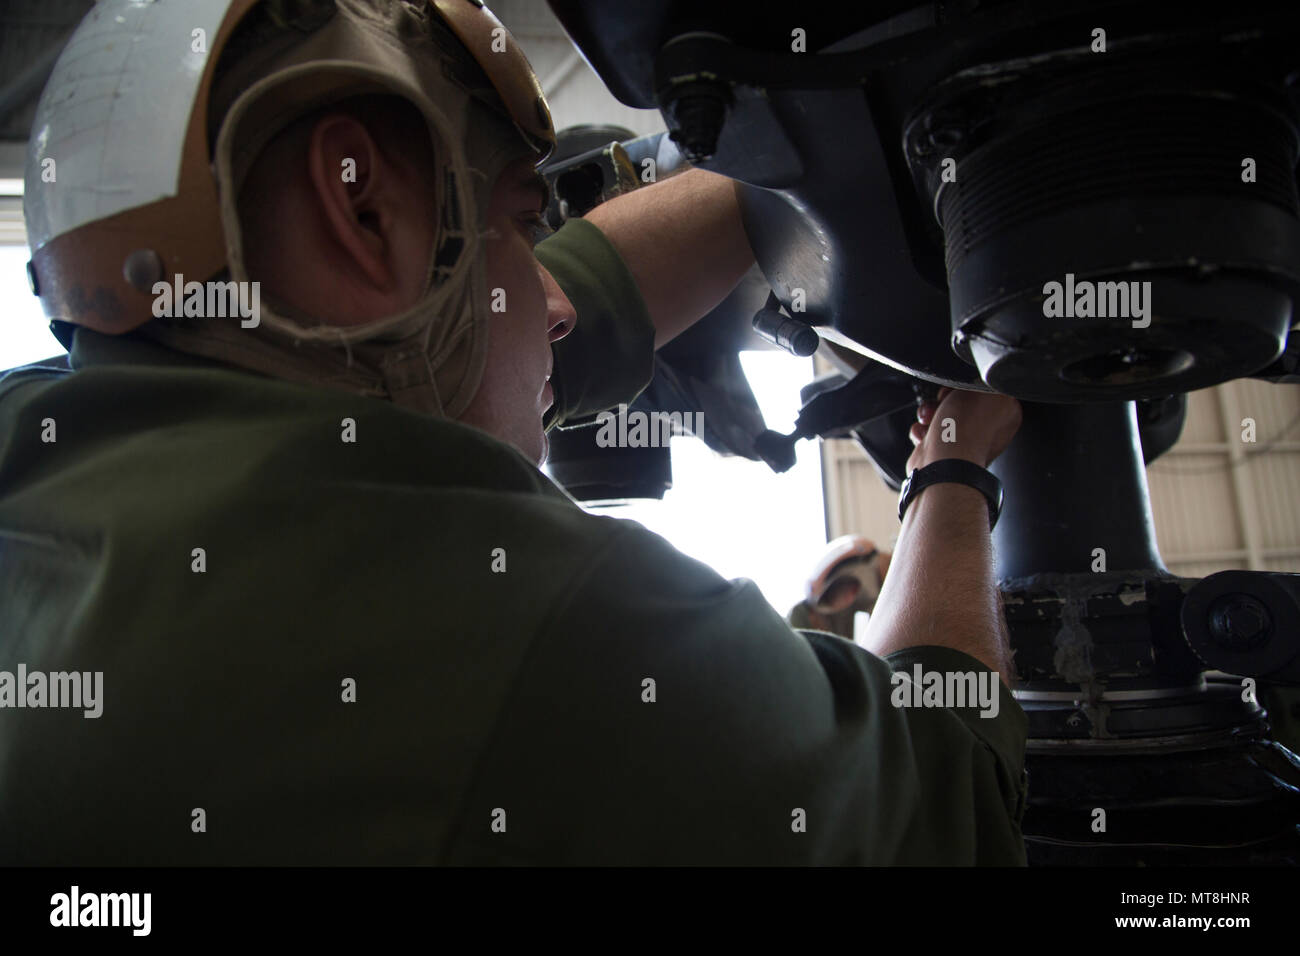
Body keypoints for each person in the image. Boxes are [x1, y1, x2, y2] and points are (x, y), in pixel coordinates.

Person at [0, 0, 1025, 864]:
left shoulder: (38, 438)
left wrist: (805, 169)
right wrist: (954, 467)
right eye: (518, 223)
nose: (554, 300)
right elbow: (947, 794)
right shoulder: (539, 624)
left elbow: (523, 323)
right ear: (357, 207)